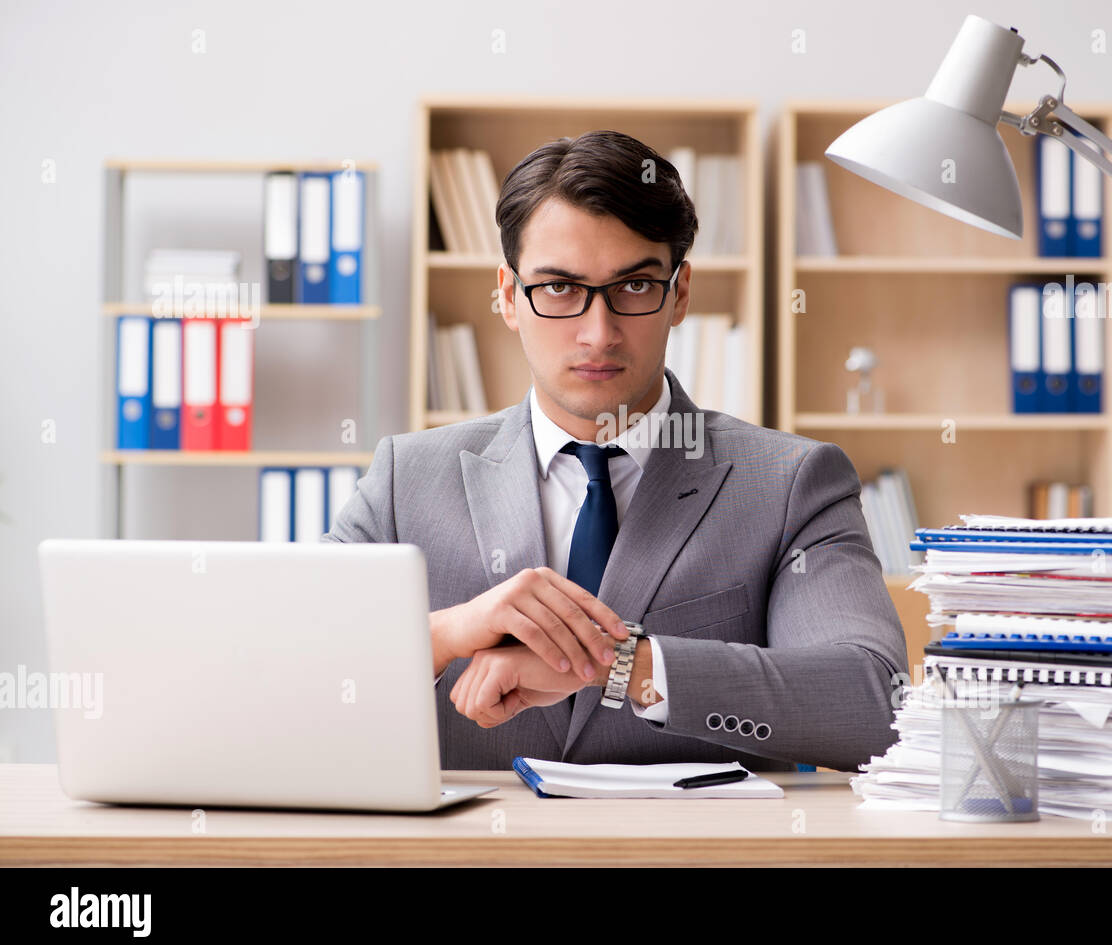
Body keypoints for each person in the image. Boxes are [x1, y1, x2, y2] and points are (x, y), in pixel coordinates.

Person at [324, 129, 907, 771]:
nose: (597, 334)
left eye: (633, 287)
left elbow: (875, 707)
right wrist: (443, 633)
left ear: (679, 293)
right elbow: (288, 664)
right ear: (509, 296)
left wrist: (620, 663)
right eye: (558, 288)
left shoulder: (790, 482)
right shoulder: (408, 479)